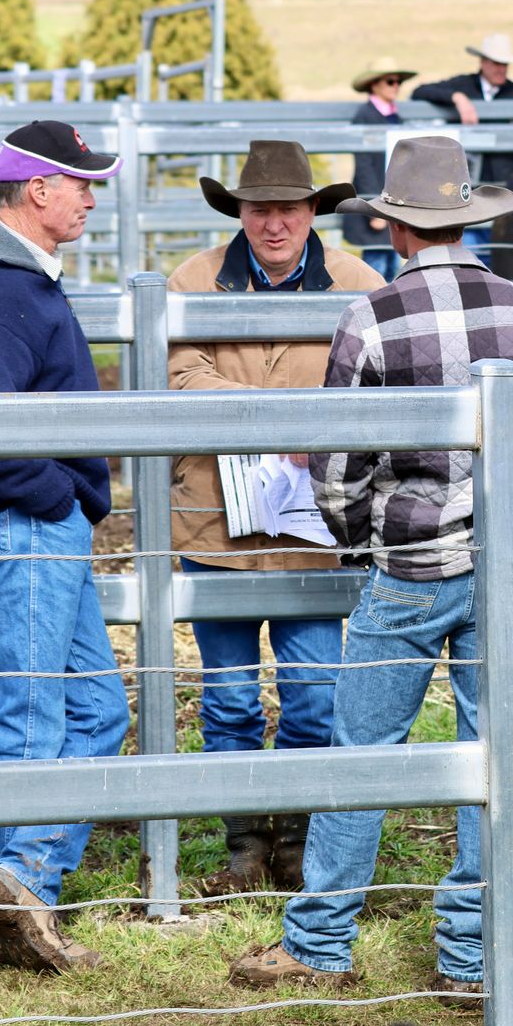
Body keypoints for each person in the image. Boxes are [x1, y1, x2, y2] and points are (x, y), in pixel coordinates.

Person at [229, 135, 513, 999]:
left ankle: (320, 938)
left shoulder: (373, 318)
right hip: (509, 565)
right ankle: (471, 954)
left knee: (363, 747)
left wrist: (360, 535)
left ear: (395, 229)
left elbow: (340, 463)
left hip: (413, 565)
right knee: (489, 749)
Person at [0, 120, 129, 973]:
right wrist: (58, 499)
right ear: (37, 188)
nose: (91, 196)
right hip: (24, 523)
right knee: (35, 714)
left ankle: (10, 892)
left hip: (39, 522)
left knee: (93, 711)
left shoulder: (15, 278)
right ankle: (16, 890)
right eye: (81, 182)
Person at [166, 140, 384, 900]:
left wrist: (315, 435)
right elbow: (177, 368)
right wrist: (265, 422)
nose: (274, 222)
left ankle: (295, 834)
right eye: (259, 208)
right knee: (226, 695)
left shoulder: (359, 284)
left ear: (312, 211)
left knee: (315, 689)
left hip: (313, 529)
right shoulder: (191, 280)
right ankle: (243, 843)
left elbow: (377, 380)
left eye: (289, 208)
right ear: (240, 212)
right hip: (213, 525)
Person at [411, 33, 513, 185]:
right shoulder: (464, 84)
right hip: (465, 170)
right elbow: (420, 91)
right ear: (483, 63)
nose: (501, 69)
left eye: (504, 64)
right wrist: (456, 97)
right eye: (496, 63)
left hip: (502, 172)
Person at [345, 57, 415, 280]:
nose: (396, 86)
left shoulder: (394, 118)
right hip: (378, 202)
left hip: (391, 201)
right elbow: (363, 164)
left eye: (397, 82)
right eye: (390, 81)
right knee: (375, 268)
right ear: (374, 84)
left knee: (390, 263)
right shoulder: (365, 116)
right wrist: (373, 208)